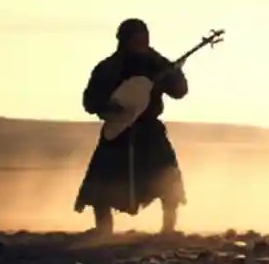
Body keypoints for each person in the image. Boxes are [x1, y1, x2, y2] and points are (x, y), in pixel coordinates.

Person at [75, 18, 187, 235]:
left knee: (166, 177)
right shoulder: (109, 68)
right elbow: (90, 101)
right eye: (135, 38)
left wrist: (173, 74)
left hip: (149, 130)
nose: (139, 43)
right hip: (118, 132)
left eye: (143, 38)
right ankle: (103, 229)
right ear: (124, 40)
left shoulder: (157, 64)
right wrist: (110, 108)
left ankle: (168, 229)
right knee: (103, 182)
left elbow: (179, 91)